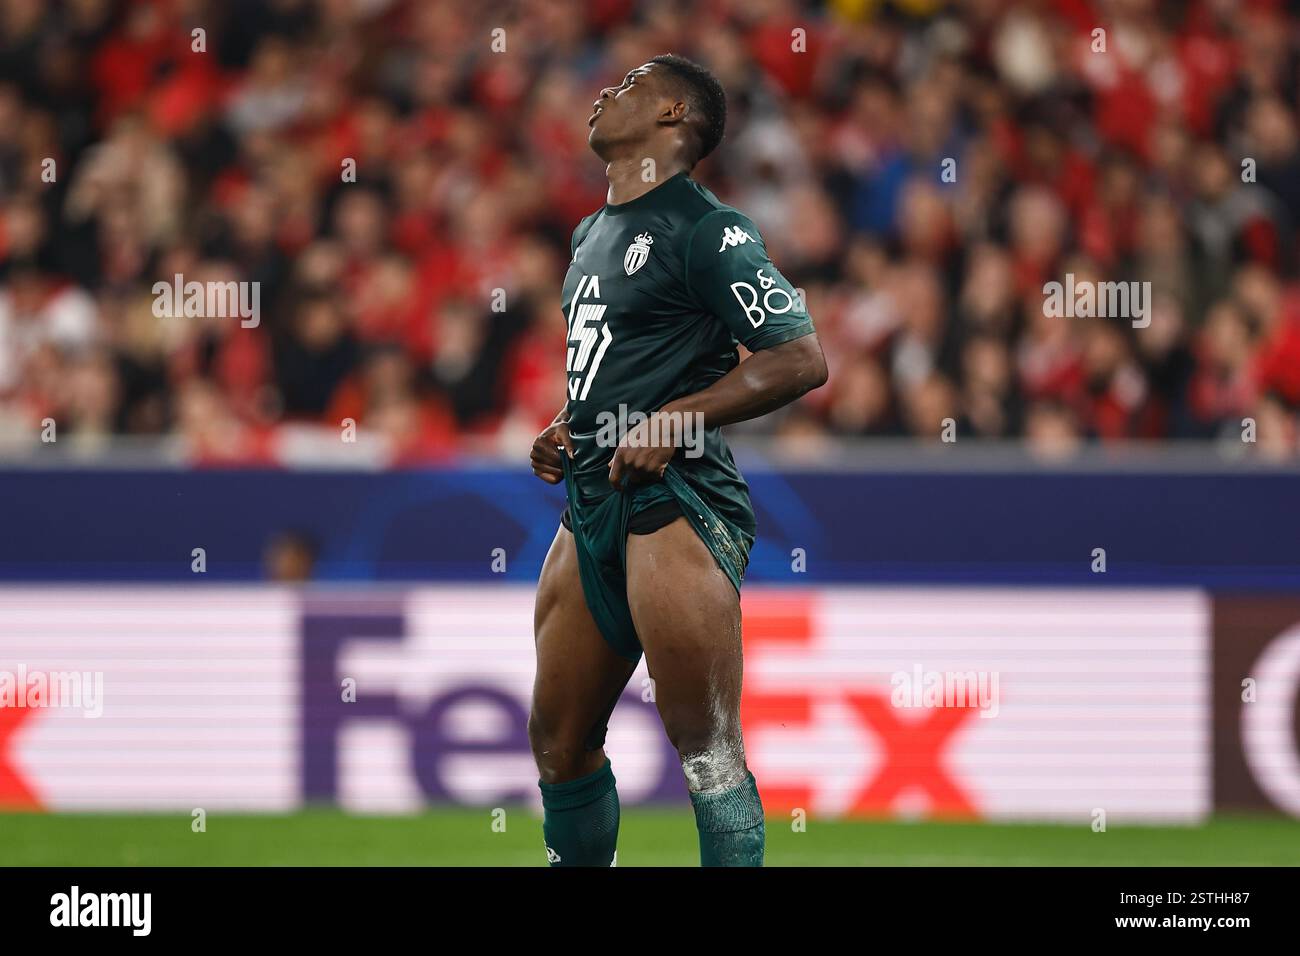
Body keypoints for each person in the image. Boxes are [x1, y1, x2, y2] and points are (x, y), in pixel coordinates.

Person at [528, 54, 828, 867]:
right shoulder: (592, 233)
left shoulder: (710, 228)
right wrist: (565, 424)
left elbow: (799, 357)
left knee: (705, 749)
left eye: (626, 83)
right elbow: (623, 364)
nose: (601, 91)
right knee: (558, 742)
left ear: (671, 113)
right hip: (590, 500)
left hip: (677, 497)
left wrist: (676, 420)